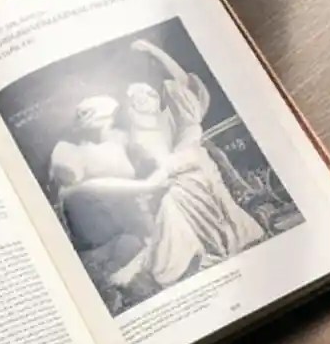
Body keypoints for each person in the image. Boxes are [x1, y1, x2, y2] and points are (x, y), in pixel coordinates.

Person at [109, 39, 266, 289]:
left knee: (197, 196)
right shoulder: (138, 135)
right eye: (137, 96)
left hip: (196, 170)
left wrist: (154, 51)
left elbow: (184, 84)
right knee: (170, 204)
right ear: (131, 104)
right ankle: (170, 260)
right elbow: (156, 165)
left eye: (148, 93)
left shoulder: (173, 113)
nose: (144, 99)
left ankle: (217, 242)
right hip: (178, 179)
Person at [48, 95, 167, 306]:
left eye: (108, 118)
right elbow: (79, 189)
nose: (108, 123)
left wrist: (156, 170)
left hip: (134, 224)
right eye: (104, 119)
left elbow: (153, 160)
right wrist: (146, 185)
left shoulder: (119, 139)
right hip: (99, 237)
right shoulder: (66, 151)